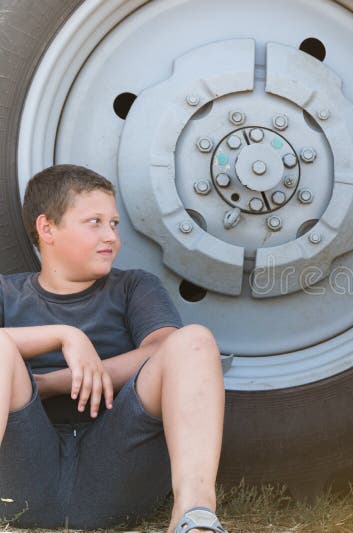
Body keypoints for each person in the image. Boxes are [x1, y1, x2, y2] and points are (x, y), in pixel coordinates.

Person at [0, 165, 227, 533]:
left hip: (114, 464)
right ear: (47, 228)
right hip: (22, 471)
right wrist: (64, 335)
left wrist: (58, 382)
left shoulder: (133, 287)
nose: (112, 237)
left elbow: (166, 347)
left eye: (114, 224)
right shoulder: (7, 292)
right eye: (95, 222)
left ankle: (195, 516)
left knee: (194, 340)